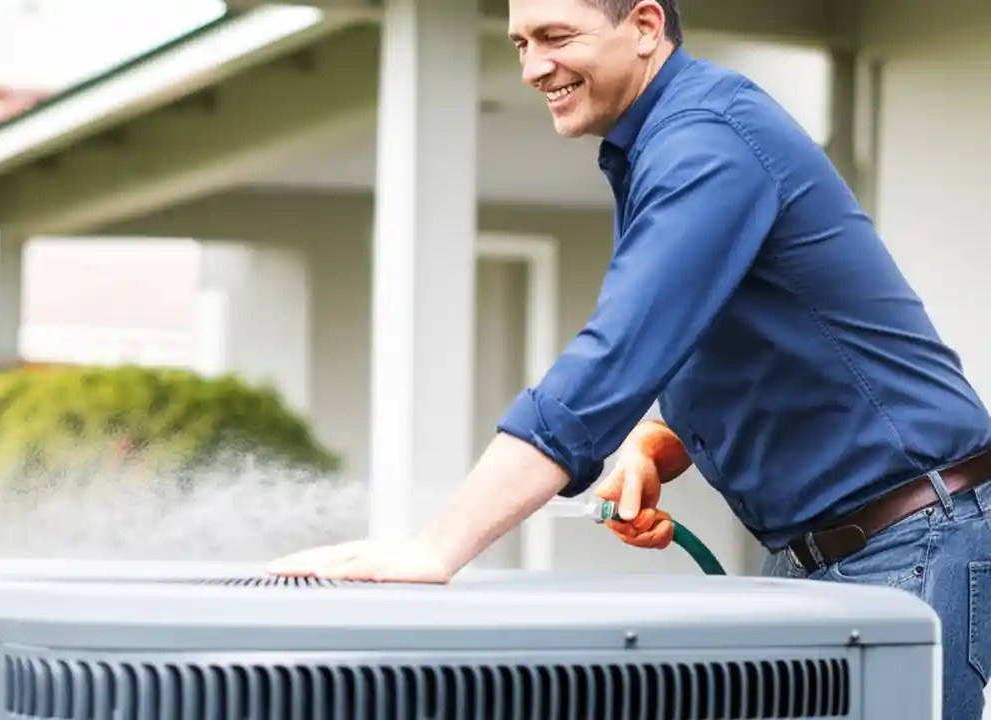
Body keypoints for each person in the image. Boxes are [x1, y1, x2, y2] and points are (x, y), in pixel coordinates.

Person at [266, 0, 991, 716]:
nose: (532, 66)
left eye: (555, 36)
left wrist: (438, 548)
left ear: (645, 27)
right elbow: (756, 338)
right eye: (520, 42)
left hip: (908, 539)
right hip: (845, 547)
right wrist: (657, 442)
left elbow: (614, 357)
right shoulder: (668, 140)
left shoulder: (707, 142)